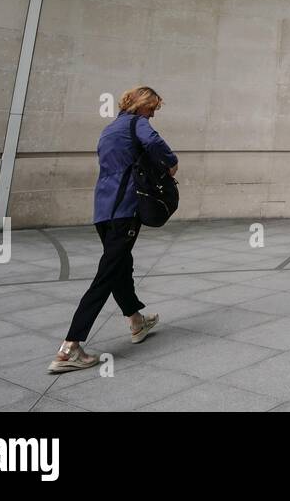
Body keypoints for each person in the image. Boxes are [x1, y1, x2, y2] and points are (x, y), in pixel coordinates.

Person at [48, 86, 174, 373]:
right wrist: (171, 163)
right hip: (125, 209)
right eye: (152, 107)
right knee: (106, 275)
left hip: (102, 210)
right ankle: (70, 347)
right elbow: (153, 142)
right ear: (141, 105)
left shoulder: (110, 129)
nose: (153, 113)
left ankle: (136, 320)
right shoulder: (138, 124)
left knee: (120, 265)